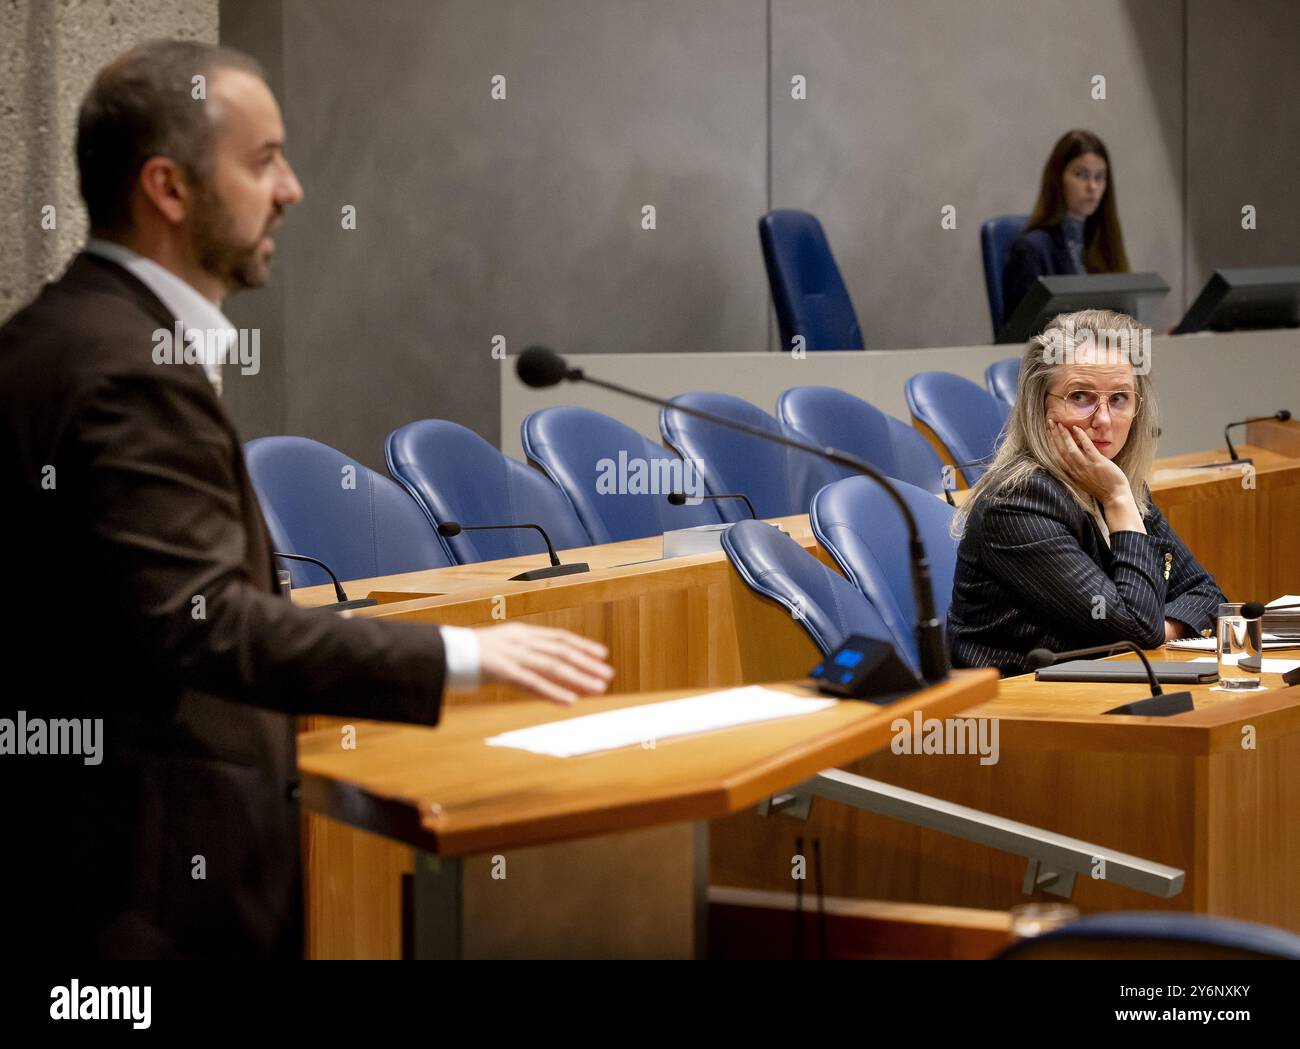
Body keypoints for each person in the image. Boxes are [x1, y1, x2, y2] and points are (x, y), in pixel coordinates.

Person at [0, 40, 612, 959]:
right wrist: (464, 653)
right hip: (138, 890)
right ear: (167, 188)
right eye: (261, 161)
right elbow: (204, 623)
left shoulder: (53, 336)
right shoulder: (128, 369)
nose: (291, 188)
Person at [947, 309, 1224, 675]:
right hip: (1021, 711)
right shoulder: (1016, 505)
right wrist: (1118, 501)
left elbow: (1210, 596)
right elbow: (1138, 631)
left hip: (1096, 691)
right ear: (1039, 404)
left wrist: (1162, 629)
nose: (1104, 420)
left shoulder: (1116, 481)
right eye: (1080, 397)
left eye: (1120, 398)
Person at [1002, 130, 1130, 323]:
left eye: (1100, 177)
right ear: (1057, 178)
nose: (1092, 187)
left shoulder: (1105, 243)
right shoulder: (1030, 250)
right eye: (1081, 175)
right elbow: (1021, 335)